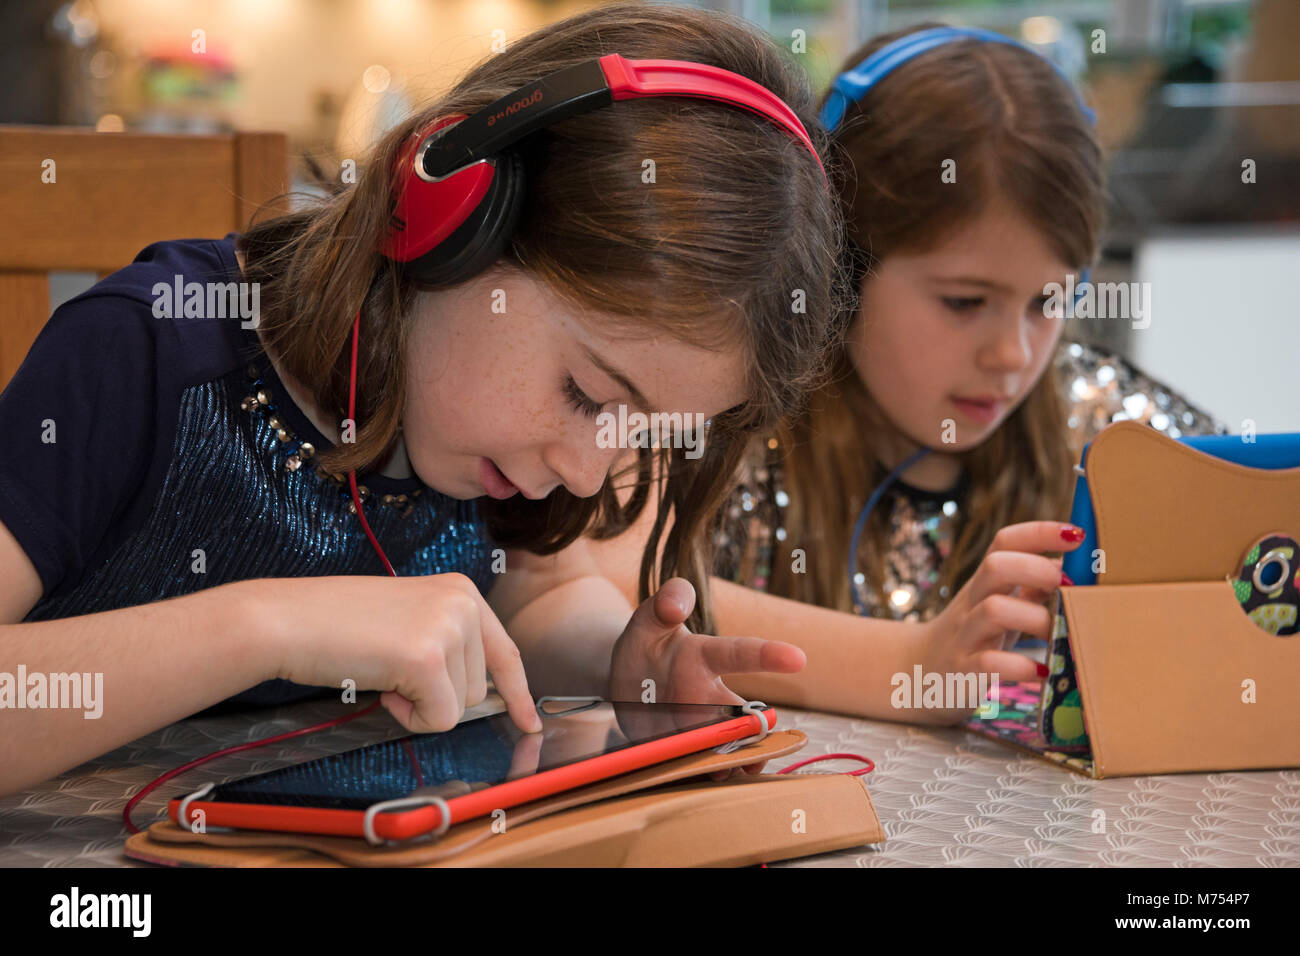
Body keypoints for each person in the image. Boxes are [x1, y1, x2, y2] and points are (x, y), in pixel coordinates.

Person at [0, 3, 842, 796]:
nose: (588, 477)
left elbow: (539, 594)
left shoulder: (485, 450)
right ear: (451, 209)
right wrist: (267, 625)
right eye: (586, 394)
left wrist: (618, 662)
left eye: (641, 436)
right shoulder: (143, 353)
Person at [589, 24, 1223, 724]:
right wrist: (912, 665)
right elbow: (605, 577)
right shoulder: (727, 407)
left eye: (1049, 301)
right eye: (964, 302)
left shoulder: (1102, 420)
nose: (1013, 355)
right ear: (838, 270)